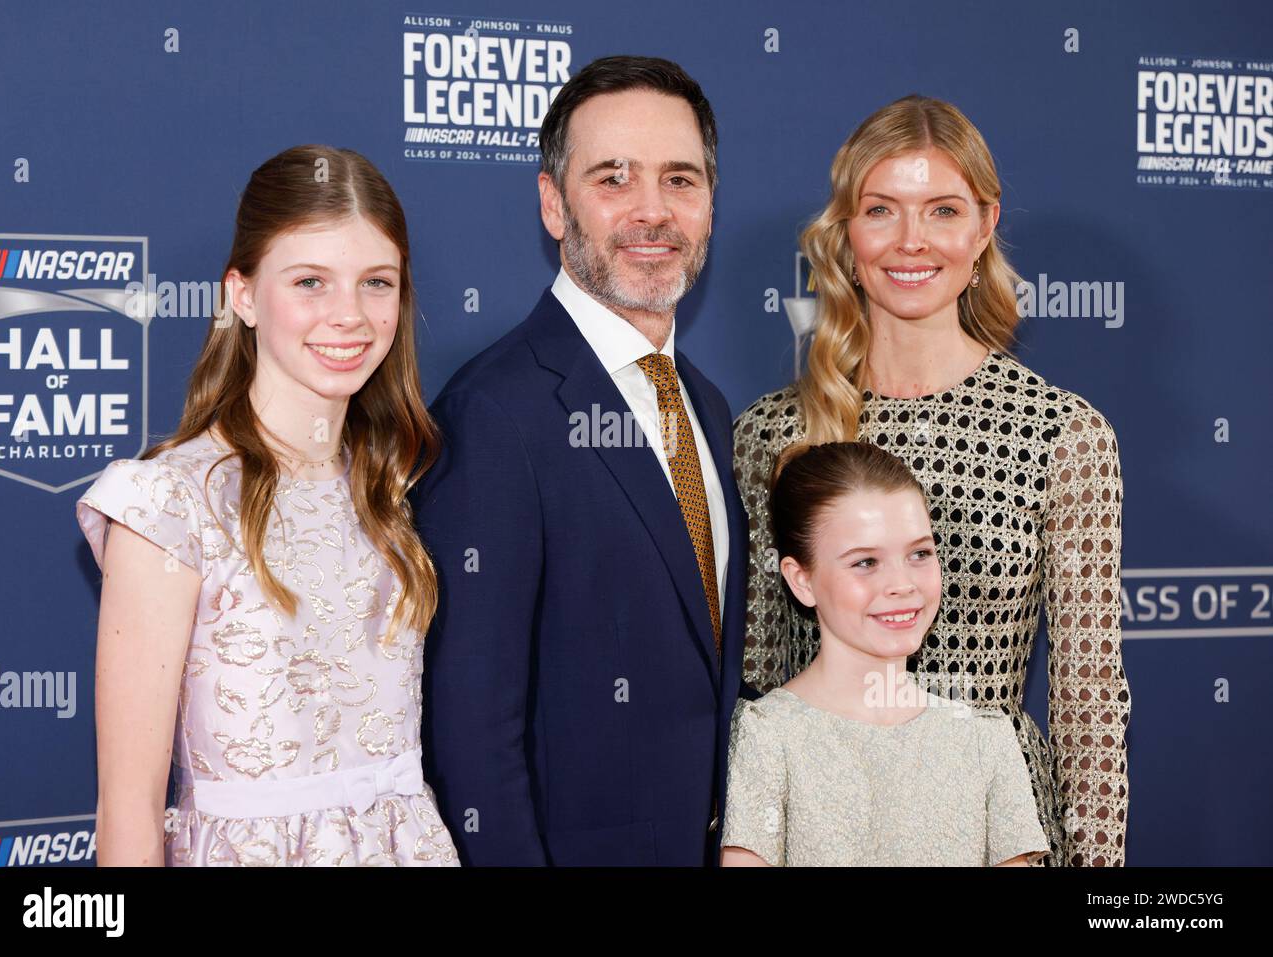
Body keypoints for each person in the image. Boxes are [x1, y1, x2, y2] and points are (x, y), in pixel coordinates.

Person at [732, 94, 1130, 866]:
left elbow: (1090, 709)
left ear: (983, 228)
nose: (911, 240)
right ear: (847, 232)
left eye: (942, 210)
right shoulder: (770, 433)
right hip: (827, 823)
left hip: (996, 829)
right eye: (881, 210)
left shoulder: (1063, 435)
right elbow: (762, 675)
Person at [75, 145, 458, 866]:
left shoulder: (391, 490)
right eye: (310, 281)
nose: (350, 316)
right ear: (243, 296)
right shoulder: (170, 501)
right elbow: (128, 808)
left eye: (376, 283)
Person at [412, 55, 752, 866]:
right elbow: (470, 729)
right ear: (552, 203)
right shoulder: (492, 412)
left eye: (680, 180)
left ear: (710, 202)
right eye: (613, 178)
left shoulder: (706, 404)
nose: (652, 210)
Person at [721, 441, 1050, 866]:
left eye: (919, 553)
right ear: (801, 580)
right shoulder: (768, 736)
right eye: (865, 562)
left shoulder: (984, 742)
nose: (902, 584)